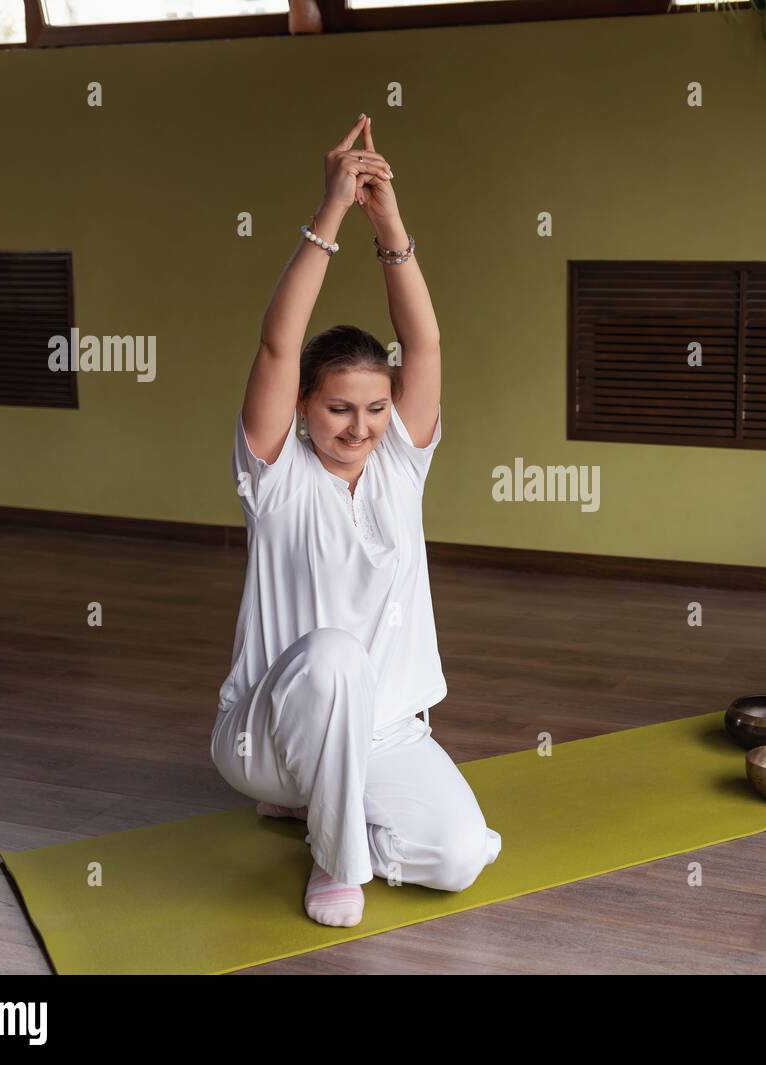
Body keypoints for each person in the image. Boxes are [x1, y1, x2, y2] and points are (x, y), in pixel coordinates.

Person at [210, 113, 501, 927]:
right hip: (265, 734)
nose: (360, 425)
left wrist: (388, 216)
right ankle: (336, 864)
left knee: (460, 856)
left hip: (385, 737)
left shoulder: (399, 468)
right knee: (335, 657)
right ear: (304, 405)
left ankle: (314, 811)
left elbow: (427, 343)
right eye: (339, 406)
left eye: (376, 407)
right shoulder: (274, 475)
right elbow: (277, 345)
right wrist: (334, 210)